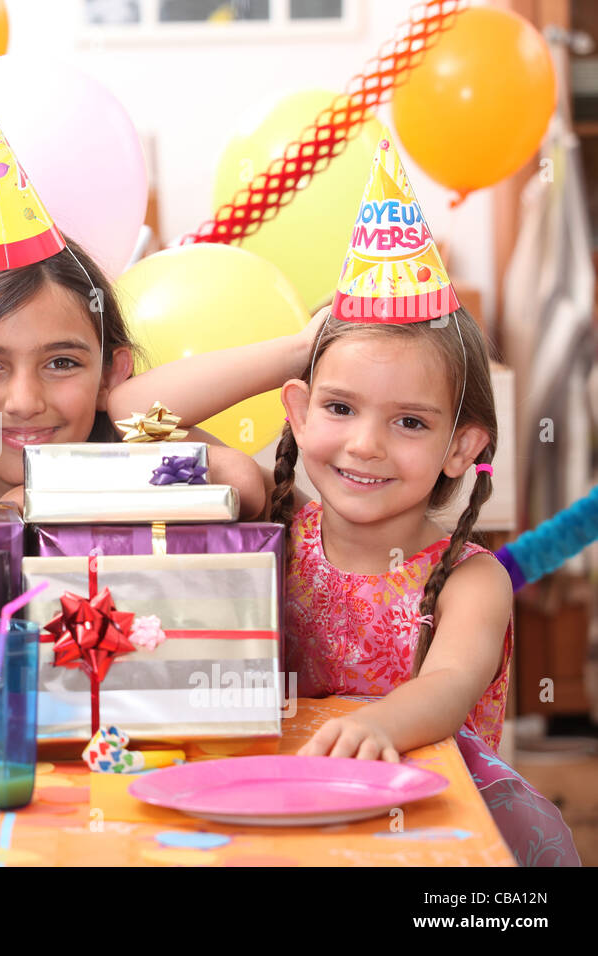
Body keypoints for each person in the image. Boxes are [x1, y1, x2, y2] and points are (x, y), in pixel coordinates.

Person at [267, 135, 578, 865]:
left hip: (434, 820)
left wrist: (382, 724)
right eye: (340, 408)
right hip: (289, 803)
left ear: (462, 447)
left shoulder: (476, 580)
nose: (366, 445)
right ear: (299, 411)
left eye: (409, 422)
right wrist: (292, 350)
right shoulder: (264, 536)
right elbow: (131, 406)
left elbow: (447, 683)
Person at [0, 234, 271, 512]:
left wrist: (41, 489)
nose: (25, 402)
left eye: (61, 363)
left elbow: (238, 475)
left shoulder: (138, 436)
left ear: (108, 378)